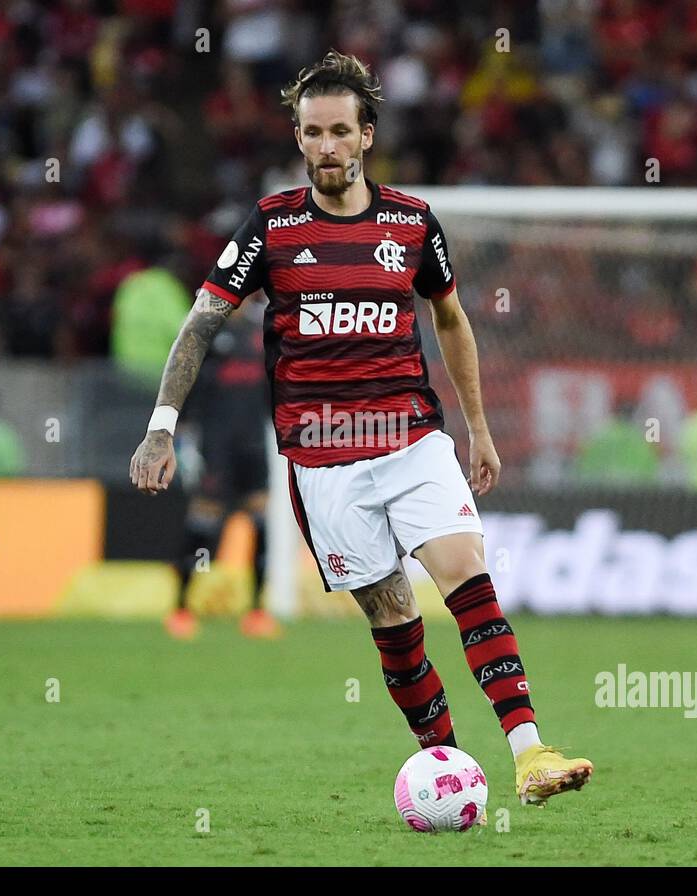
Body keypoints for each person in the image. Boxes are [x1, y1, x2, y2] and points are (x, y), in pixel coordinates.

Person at [131, 52, 592, 807]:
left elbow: (450, 316)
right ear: (299, 137)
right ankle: (445, 767)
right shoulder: (272, 227)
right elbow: (202, 321)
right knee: (395, 620)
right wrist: (161, 426)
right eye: (313, 133)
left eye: (341, 131)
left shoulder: (411, 222)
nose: (327, 147)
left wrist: (477, 427)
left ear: (366, 134)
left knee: (465, 573)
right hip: (323, 464)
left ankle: (530, 751)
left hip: (412, 439)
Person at [164, 297, 278, 640]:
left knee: (260, 521)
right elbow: (186, 385)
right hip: (216, 446)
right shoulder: (207, 334)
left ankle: (257, 610)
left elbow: (273, 391)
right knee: (204, 523)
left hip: (253, 445)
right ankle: (182, 607)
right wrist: (180, 434)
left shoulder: (261, 334)